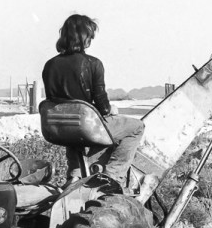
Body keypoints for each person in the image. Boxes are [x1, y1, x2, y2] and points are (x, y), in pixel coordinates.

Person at [42, 13, 144, 189]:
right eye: (90, 36)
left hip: (59, 129)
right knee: (136, 127)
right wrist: (111, 109)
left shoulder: (49, 65)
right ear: (84, 38)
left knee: (73, 127)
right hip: (87, 127)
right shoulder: (93, 63)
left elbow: (62, 102)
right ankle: (113, 175)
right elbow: (103, 107)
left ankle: (75, 174)